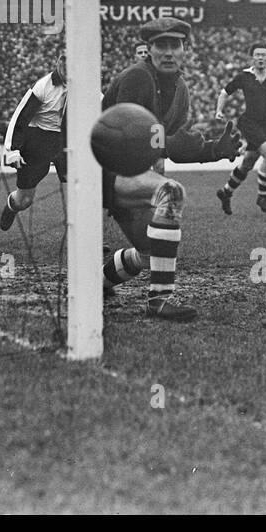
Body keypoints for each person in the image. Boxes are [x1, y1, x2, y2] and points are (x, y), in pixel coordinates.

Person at [100, 19, 242, 322]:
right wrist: (208, 148)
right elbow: (132, 138)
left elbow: (173, 144)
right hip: (102, 168)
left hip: (130, 170)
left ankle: (97, 283)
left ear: (186, 49)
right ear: (148, 50)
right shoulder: (137, 78)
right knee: (172, 192)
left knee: (151, 249)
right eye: (160, 45)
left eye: (174, 45)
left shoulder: (180, 89)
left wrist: (214, 149)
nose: (167, 52)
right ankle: (159, 301)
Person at [214, 42, 266, 214]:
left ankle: (226, 192)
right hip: (249, 122)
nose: (260, 57)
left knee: (248, 163)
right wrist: (219, 110)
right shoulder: (245, 76)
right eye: (257, 54)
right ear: (252, 57)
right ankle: (263, 196)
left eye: (263, 55)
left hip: (265, 124)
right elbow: (225, 92)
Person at [0, 52, 67, 231]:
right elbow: (19, 118)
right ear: (58, 62)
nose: (66, 65)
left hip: (68, 140)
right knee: (25, 200)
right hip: (39, 140)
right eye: (63, 61)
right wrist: (13, 150)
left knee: (82, 190)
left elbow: (104, 106)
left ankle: (93, 239)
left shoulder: (87, 85)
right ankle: (12, 206)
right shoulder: (43, 86)